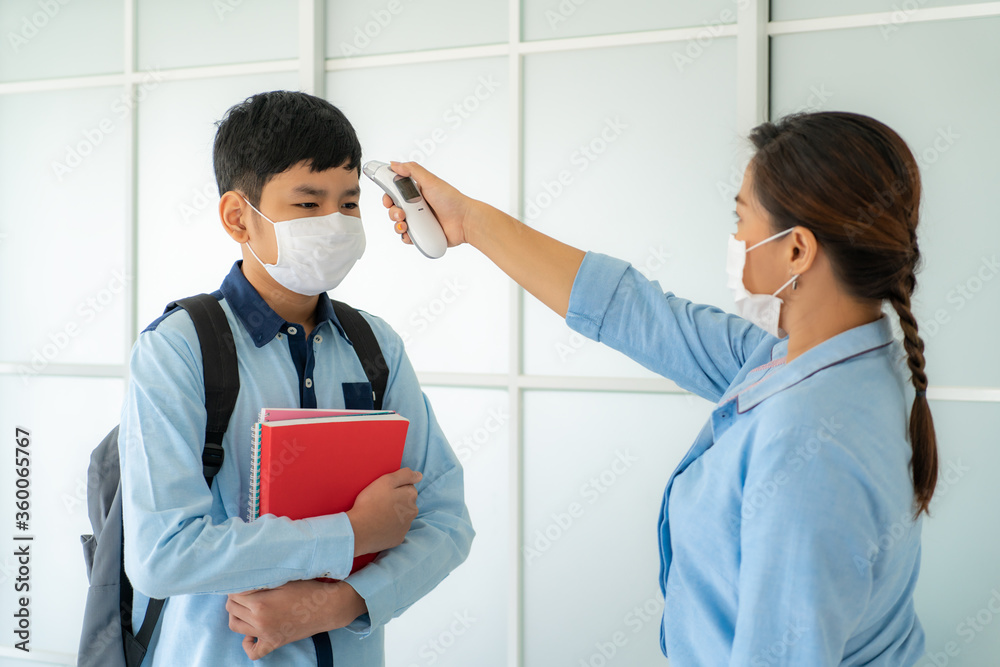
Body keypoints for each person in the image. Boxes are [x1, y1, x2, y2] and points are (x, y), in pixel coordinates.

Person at [385, 111, 936, 665]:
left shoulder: (810, 438)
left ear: (796, 251)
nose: (736, 238)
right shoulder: (822, 360)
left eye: (741, 218)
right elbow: (639, 314)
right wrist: (470, 222)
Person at [119, 90, 474, 665]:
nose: (333, 223)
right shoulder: (178, 349)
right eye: (308, 205)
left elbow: (447, 521)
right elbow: (163, 556)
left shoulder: (376, 346)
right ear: (239, 217)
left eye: (349, 203)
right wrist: (352, 534)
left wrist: (343, 604)